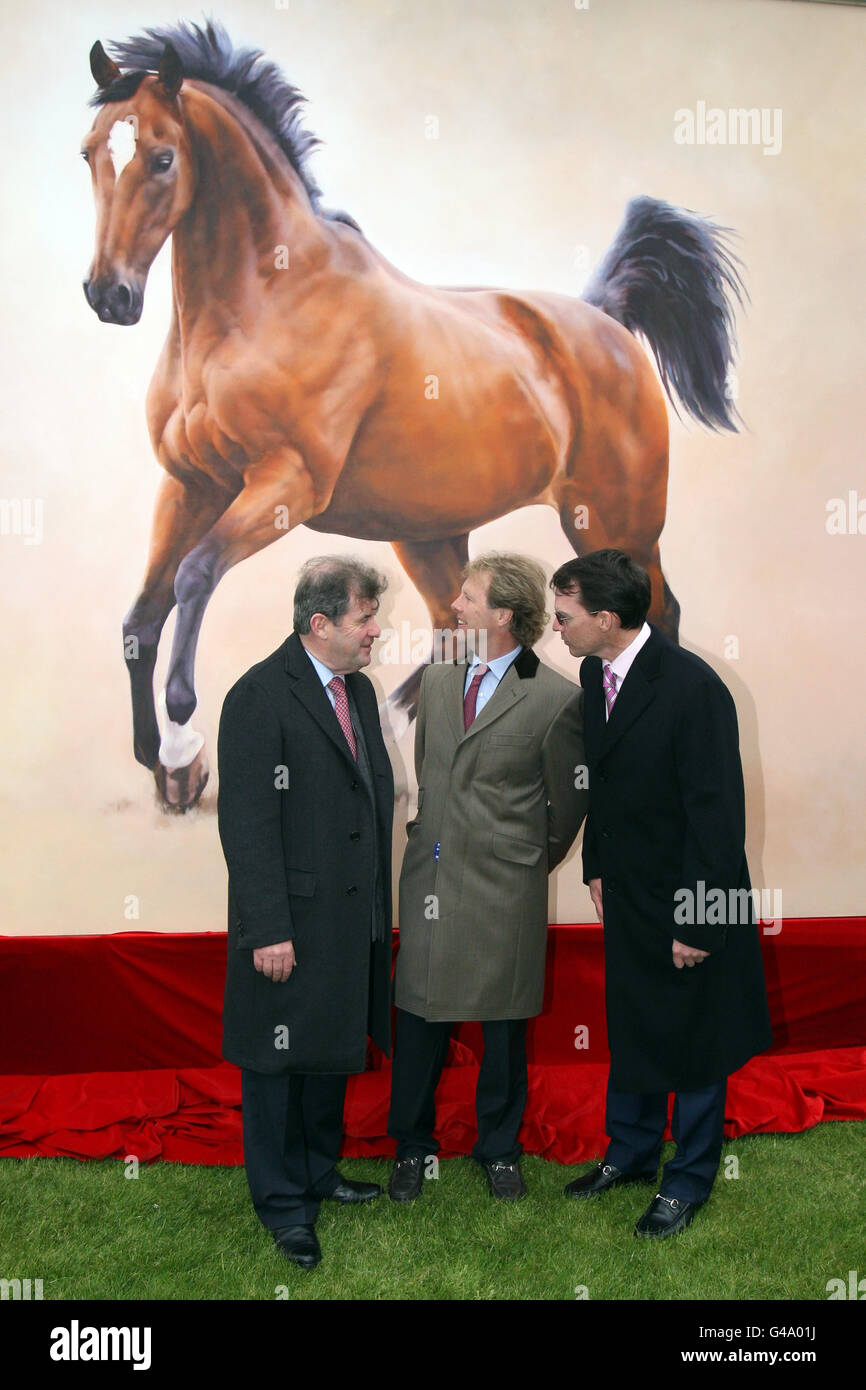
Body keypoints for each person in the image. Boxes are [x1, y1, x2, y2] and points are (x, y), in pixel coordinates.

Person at [551, 548, 772, 1237]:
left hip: (690, 897)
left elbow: (717, 815)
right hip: (627, 892)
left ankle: (688, 1179)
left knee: (695, 1038)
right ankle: (633, 1154)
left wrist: (700, 921)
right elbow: (603, 781)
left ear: (607, 618)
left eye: (565, 616)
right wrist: (594, 865)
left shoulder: (692, 687)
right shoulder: (596, 671)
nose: (556, 627)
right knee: (638, 1024)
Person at [388, 552, 588, 1202]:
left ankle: (499, 1149)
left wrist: (519, 861)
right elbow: (431, 776)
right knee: (418, 1023)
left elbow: (565, 809)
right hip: (431, 887)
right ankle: (410, 1148)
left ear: (502, 614)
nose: (457, 607)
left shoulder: (558, 701)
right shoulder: (440, 682)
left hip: (506, 894)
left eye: (469, 598)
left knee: (503, 1031)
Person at [217, 556, 394, 1270]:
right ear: (319, 625)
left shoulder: (360, 692)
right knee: (275, 1066)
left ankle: (320, 1174)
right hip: (288, 925)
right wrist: (268, 928)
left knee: (325, 1055)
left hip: (349, 921)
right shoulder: (259, 696)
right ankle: (285, 1206)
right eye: (366, 619)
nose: (377, 632)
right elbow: (249, 823)